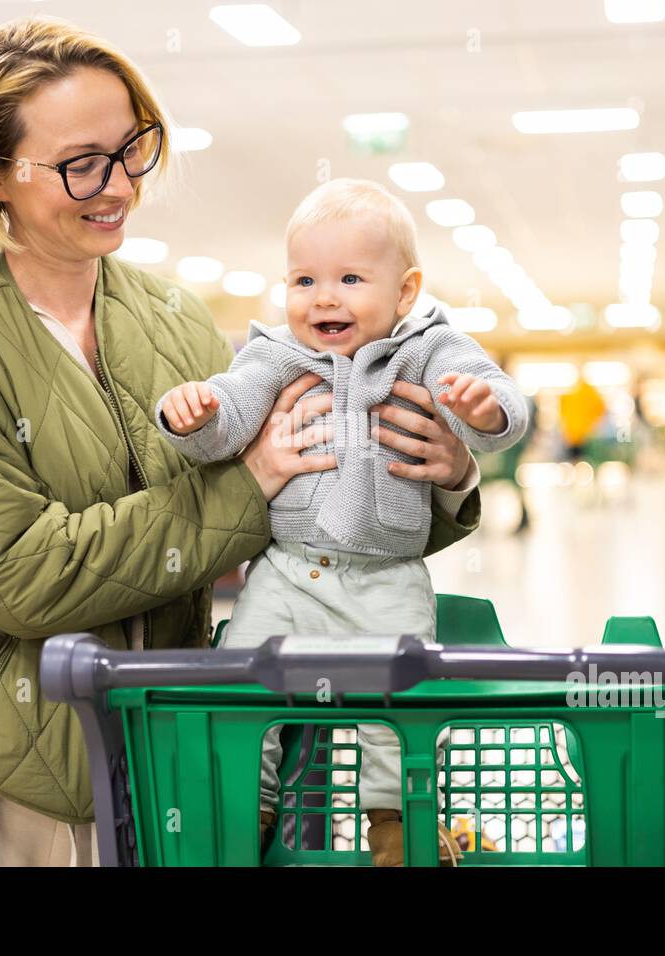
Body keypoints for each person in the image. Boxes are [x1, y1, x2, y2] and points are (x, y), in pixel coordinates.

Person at [0, 17, 483, 867]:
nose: (118, 184)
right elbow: (18, 573)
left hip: (149, 761)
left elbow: (316, 509)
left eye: (133, 147)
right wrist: (247, 486)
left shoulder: (175, 320)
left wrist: (446, 475)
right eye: (82, 163)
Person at [156, 178, 529, 865]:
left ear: (406, 292)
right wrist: (197, 415)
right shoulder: (275, 354)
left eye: (350, 278)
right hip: (287, 574)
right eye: (303, 279)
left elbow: (502, 404)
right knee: (242, 680)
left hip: (386, 578)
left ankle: (393, 819)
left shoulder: (428, 349)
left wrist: (485, 409)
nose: (322, 297)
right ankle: (249, 803)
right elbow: (231, 413)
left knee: (399, 705)